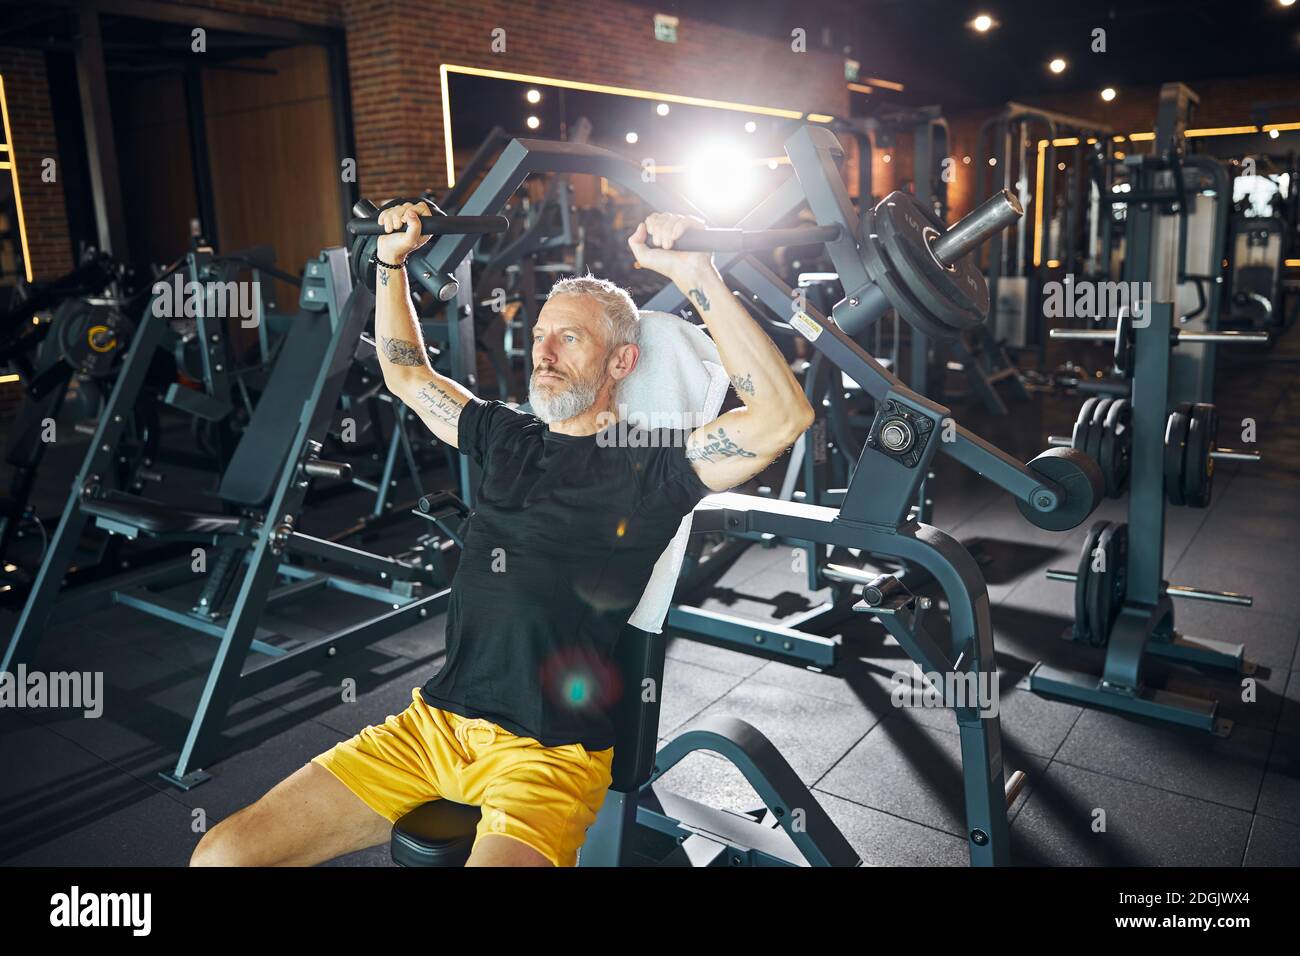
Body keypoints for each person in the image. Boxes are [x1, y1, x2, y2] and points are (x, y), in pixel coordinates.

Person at [190, 200, 814, 867]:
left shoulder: (654, 464)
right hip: (427, 728)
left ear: (622, 362)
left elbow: (782, 416)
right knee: (221, 856)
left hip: (544, 756)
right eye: (541, 335)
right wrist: (390, 262)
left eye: (569, 339)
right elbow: (407, 373)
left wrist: (697, 274)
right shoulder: (506, 435)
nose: (542, 353)